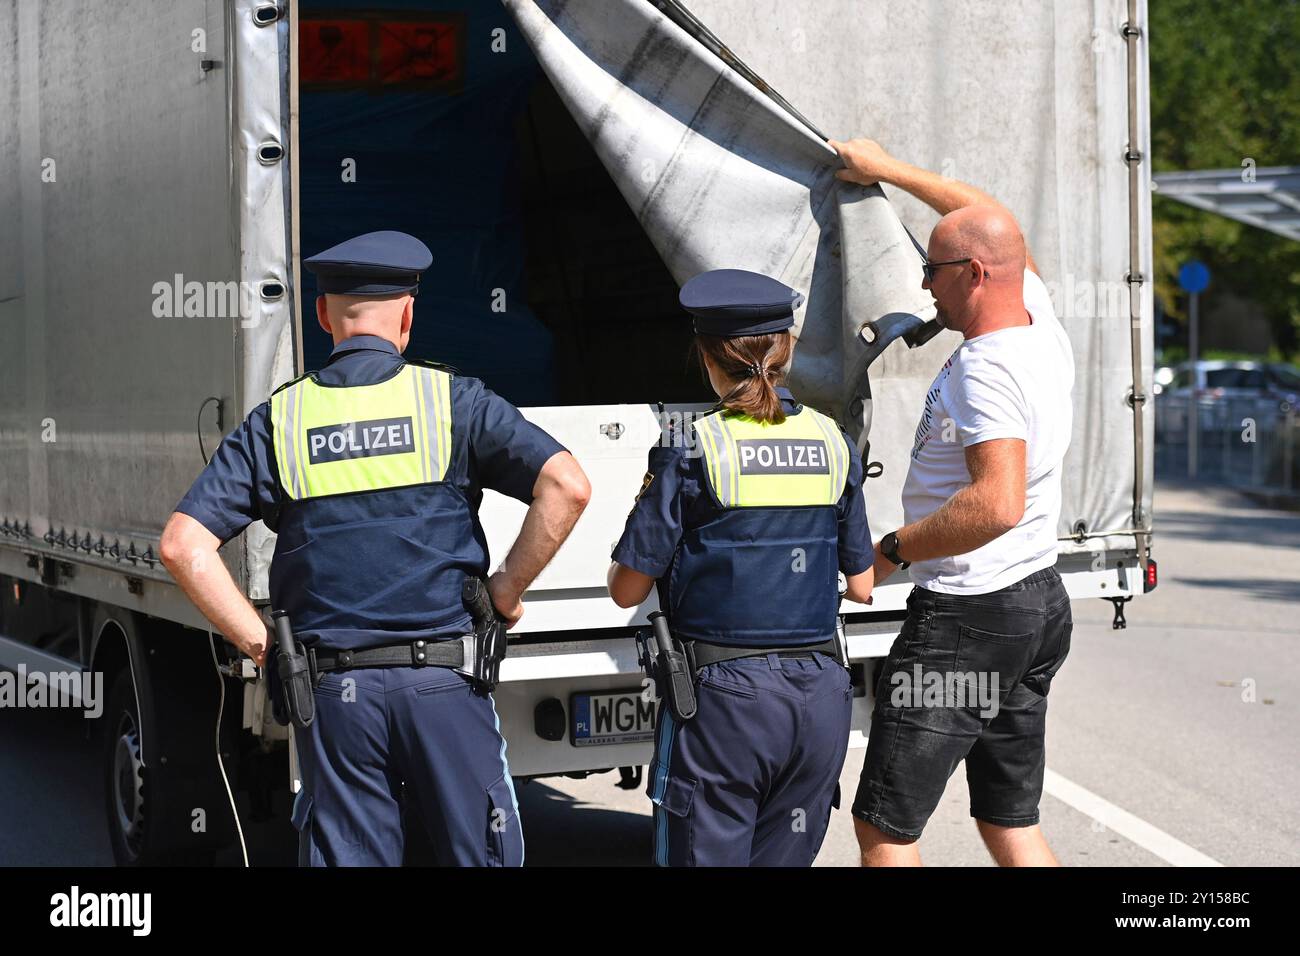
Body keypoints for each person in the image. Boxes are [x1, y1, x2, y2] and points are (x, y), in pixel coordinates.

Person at [159, 230, 590, 866]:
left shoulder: (280, 421)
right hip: (445, 681)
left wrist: (264, 646)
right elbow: (568, 486)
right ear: (409, 314)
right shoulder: (452, 402)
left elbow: (182, 546)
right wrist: (504, 593)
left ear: (323, 315)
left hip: (336, 695)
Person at [830, 138, 1076, 866]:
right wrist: (886, 171)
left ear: (972, 274)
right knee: (1010, 821)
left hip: (969, 618)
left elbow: (994, 503)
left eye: (933, 271)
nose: (924, 286)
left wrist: (891, 549)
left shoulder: (987, 369)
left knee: (884, 828)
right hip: (1035, 602)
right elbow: (990, 216)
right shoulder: (1037, 313)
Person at [607, 268, 875, 867]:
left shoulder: (693, 450)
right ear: (785, 351)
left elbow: (627, 590)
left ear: (707, 356)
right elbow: (861, 585)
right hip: (819, 699)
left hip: (724, 704)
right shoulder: (834, 442)